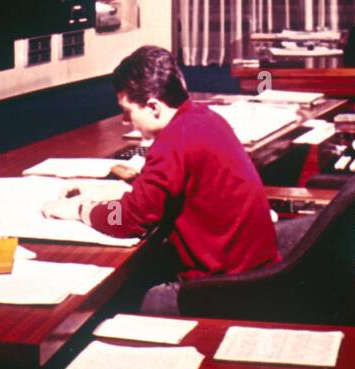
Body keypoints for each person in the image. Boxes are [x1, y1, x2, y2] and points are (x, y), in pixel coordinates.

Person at [41, 45, 278, 314]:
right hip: (252, 274)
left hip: (222, 290)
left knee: (104, 305)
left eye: (127, 110)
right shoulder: (203, 118)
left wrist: (81, 210)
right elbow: (163, 188)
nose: (124, 120)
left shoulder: (173, 144)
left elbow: (128, 219)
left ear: (153, 106)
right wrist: (102, 190)